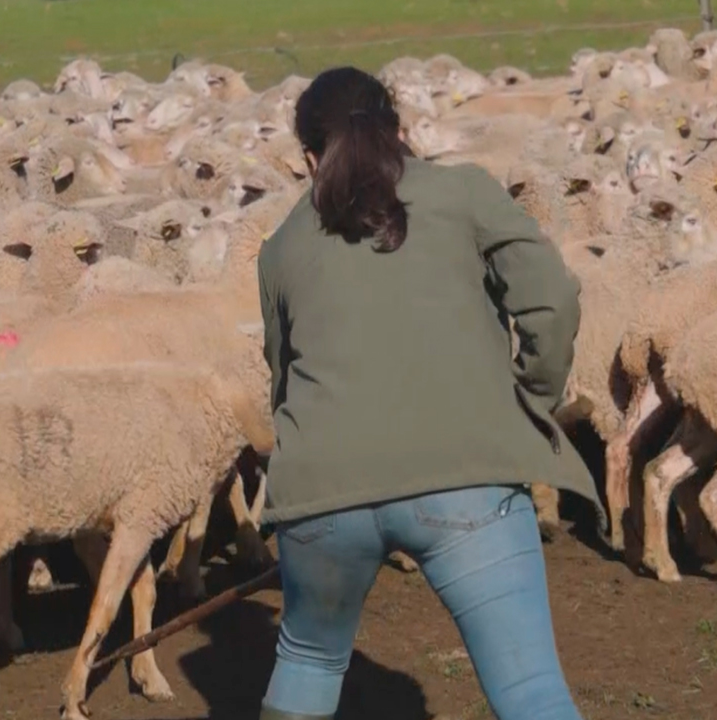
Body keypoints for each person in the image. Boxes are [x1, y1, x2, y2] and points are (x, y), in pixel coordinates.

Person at [255, 65, 601, 720]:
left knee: (308, 660)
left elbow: (283, 382)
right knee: (530, 691)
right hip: (467, 476)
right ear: (399, 129)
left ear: (308, 159)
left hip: (324, 492)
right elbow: (552, 300)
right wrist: (532, 397)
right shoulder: (463, 192)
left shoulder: (281, 247)